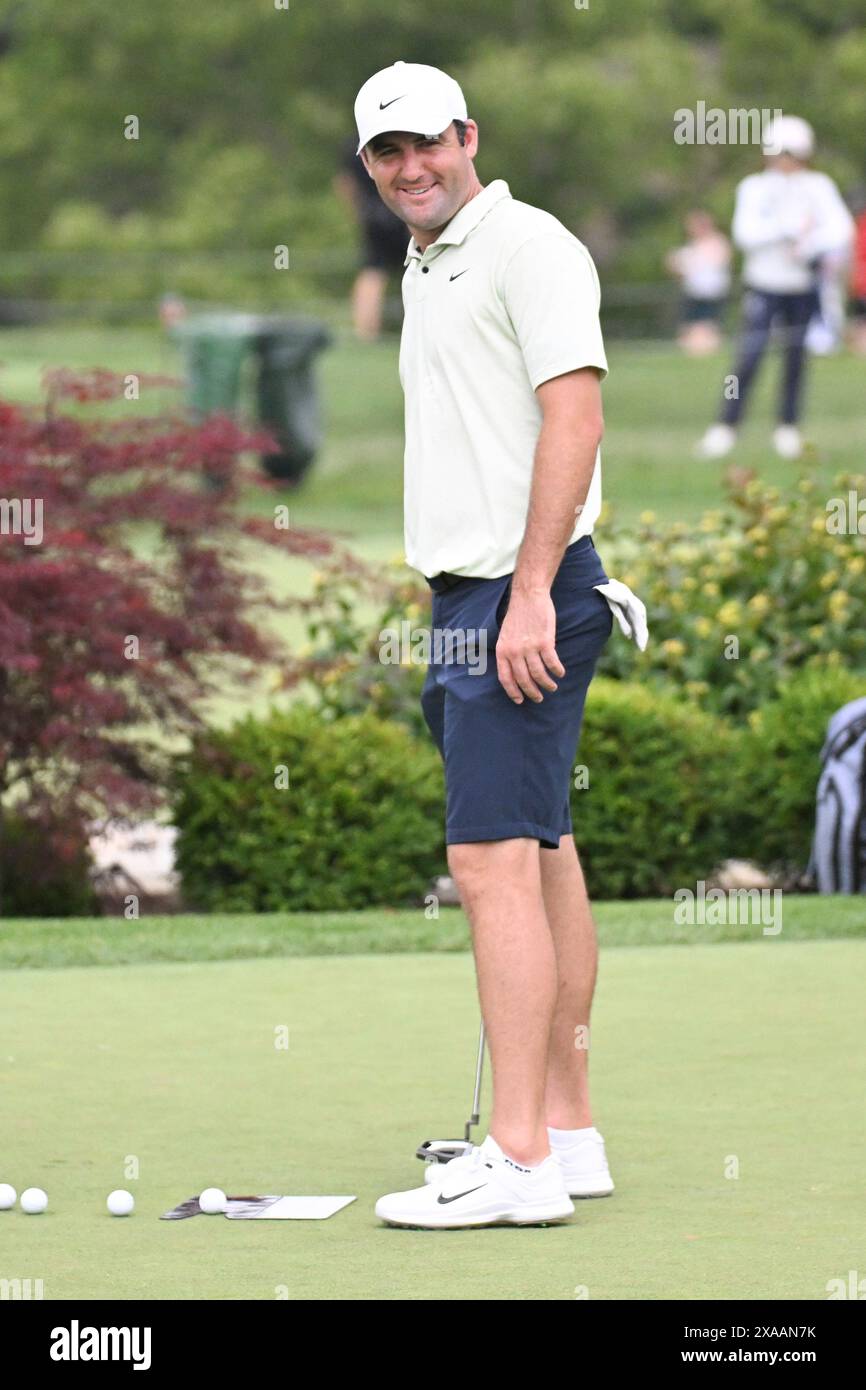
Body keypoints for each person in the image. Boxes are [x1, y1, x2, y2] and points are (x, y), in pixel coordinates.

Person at [353, 60, 646, 1230]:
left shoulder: (526, 246)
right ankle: (565, 1134)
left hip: (515, 598)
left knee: (487, 866)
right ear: (371, 166)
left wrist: (528, 593)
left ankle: (518, 1161)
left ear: (467, 135)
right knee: (541, 847)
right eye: (386, 153)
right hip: (483, 593)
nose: (410, 167)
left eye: (427, 143)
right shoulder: (429, 264)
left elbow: (575, 415)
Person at [698, 115, 854, 462]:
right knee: (749, 357)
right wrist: (785, 231)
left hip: (801, 286)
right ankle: (726, 426)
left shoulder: (818, 186)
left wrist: (810, 245)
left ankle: (788, 427)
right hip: (764, 286)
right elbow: (745, 233)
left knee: (796, 357)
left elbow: (840, 229)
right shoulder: (754, 187)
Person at [333, 135, 409, 340]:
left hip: (372, 216)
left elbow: (344, 184)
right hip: (404, 211)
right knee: (422, 266)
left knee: (372, 272)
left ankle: (366, 336)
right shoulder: (401, 134)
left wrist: (359, 213)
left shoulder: (355, 143)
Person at [666, 210, 731, 355]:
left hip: (711, 293)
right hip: (693, 292)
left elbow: (713, 264)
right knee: (689, 328)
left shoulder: (717, 242)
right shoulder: (692, 245)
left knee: (708, 328)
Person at [848, 198, 866, 356]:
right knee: (862, 317)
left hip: (860, 280)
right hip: (863, 282)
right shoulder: (863, 225)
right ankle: (861, 347)